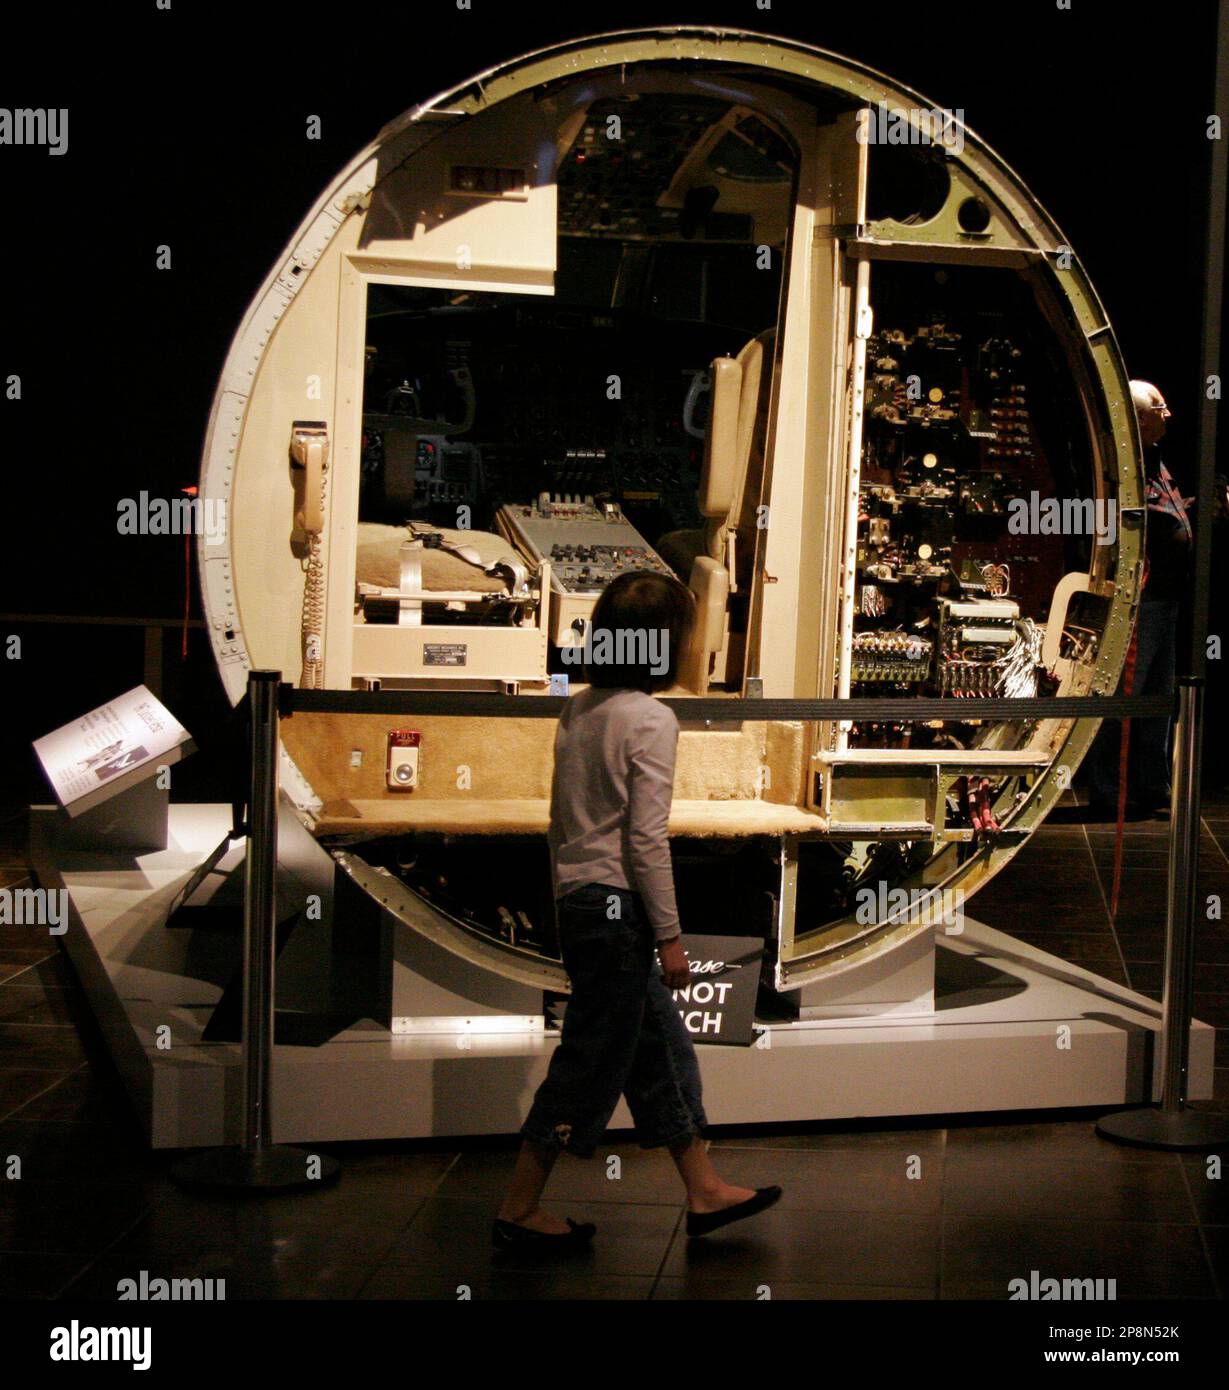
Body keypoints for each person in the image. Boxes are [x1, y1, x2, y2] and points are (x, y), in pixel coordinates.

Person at [494, 571, 781, 1247]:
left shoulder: (580, 709)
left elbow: (558, 821)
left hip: (583, 904)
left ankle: (705, 1190)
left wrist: (567, 895)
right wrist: (671, 937)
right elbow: (645, 840)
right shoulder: (651, 719)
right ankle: (517, 1209)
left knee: (658, 1053)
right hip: (619, 912)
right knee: (588, 1062)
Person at [1086, 380, 1192, 820]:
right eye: (1160, 409)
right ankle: (1111, 791)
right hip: (1140, 601)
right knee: (1125, 698)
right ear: (1140, 416)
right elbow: (1122, 512)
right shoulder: (1127, 462)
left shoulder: (1154, 458)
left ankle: (1150, 787)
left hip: (1165, 600)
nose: (1168, 416)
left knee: (1157, 700)